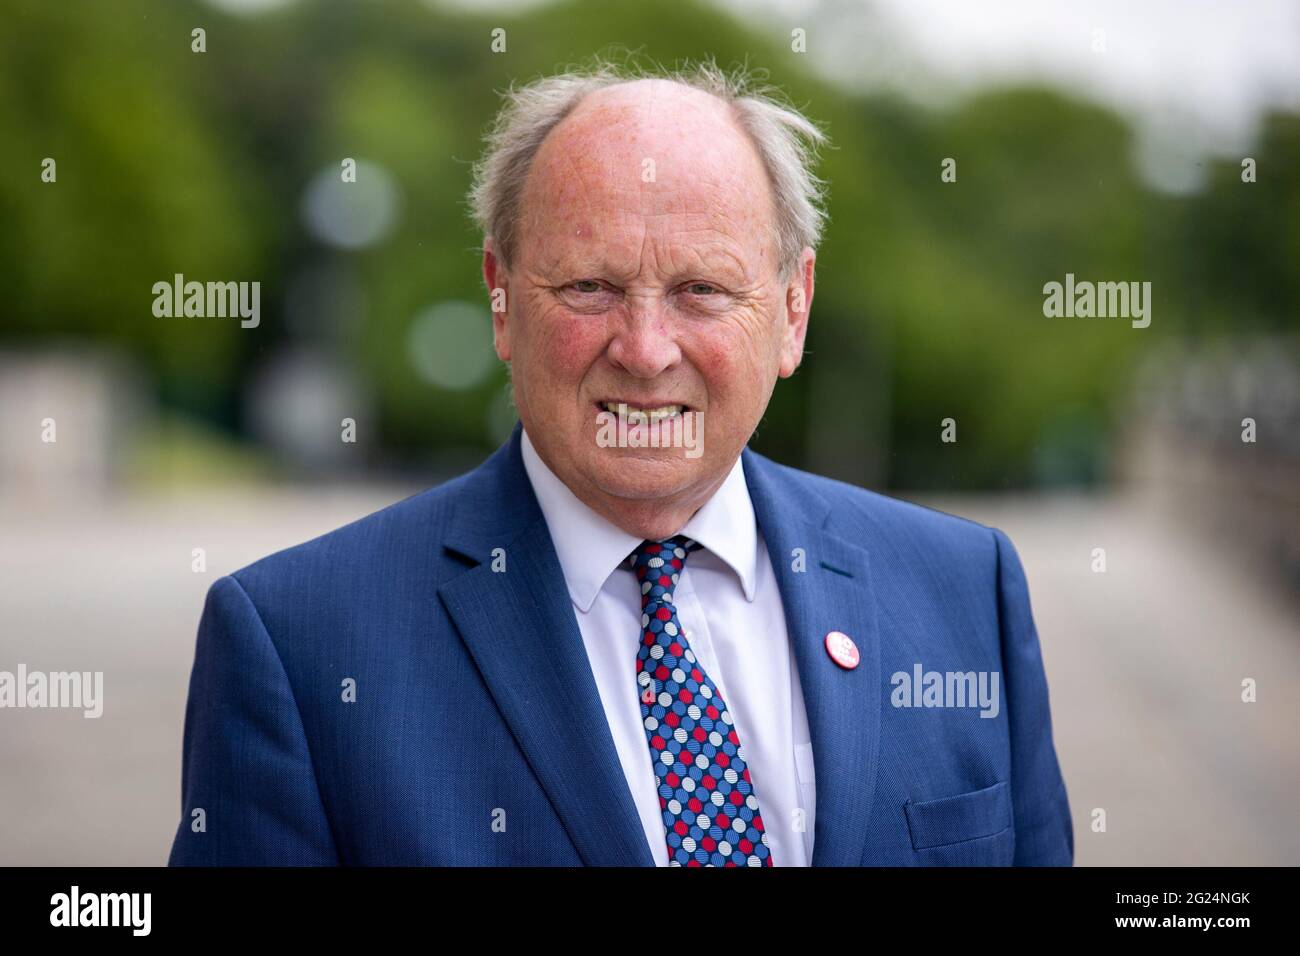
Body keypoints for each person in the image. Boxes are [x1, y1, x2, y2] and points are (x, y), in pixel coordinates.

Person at [168, 60, 1072, 867]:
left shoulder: (966, 595)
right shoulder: (297, 645)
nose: (644, 350)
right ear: (500, 300)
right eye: (588, 287)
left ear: (792, 311)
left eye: (702, 290)